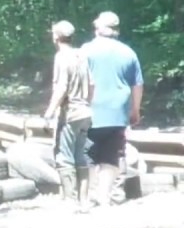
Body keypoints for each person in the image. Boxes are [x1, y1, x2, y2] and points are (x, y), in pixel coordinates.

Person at [81, 11, 144, 208]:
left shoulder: (85, 50)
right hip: (117, 113)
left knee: (87, 154)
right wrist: (135, 110)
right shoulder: (128, 53)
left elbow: (77, 80)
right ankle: (105, 197)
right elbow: (137, 86)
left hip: (90, 111)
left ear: (99, 28)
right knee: (111, 156)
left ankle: (90, 195)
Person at [42, 20, 92, 207]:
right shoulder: (81, 55)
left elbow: (61, 88)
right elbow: (92, 84)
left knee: (64, 157)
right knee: (80, 155)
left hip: (70, 112)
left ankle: (70, 201)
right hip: (85, 111)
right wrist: (88, 103)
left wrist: (49, 113)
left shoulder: (61, 57)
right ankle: (84, 200)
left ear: (56, 36)